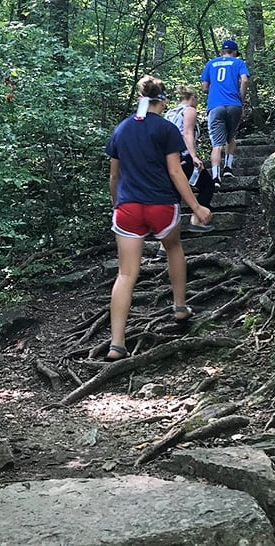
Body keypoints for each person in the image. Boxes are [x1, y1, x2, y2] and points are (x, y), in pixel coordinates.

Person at [104, 75, 212, 361]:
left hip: (127, 209)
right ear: (161, 101)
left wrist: (117, 205)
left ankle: (117, 344)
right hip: (161, 206)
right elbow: (176, 173)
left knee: (126, 274)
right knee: (173, 247)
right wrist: (197, 207)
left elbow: (114, 176)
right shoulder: (166, 129)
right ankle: (179, 307)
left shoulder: (122, 129)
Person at [200, 39, 250, 190]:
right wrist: (240, 98)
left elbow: (204, 88)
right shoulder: (238, 62)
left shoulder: (210, 64)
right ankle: (228, 168)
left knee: (217, 144)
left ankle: (216, 177)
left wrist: (216, 92)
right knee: (231, 136)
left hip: (215, 106)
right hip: (234, 104)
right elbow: (245, 80)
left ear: (222, 51)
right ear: (234, 52)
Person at [164, 85, 215, 232]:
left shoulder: (169, 113)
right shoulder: (189, 111)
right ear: (192, 98)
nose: (197, 102)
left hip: (170, 159)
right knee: (207, 185)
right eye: (197, 99)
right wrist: (194, 156)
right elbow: (187, 133)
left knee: (175, 197)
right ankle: (197, 219)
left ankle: (165, 240)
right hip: (184, 157)